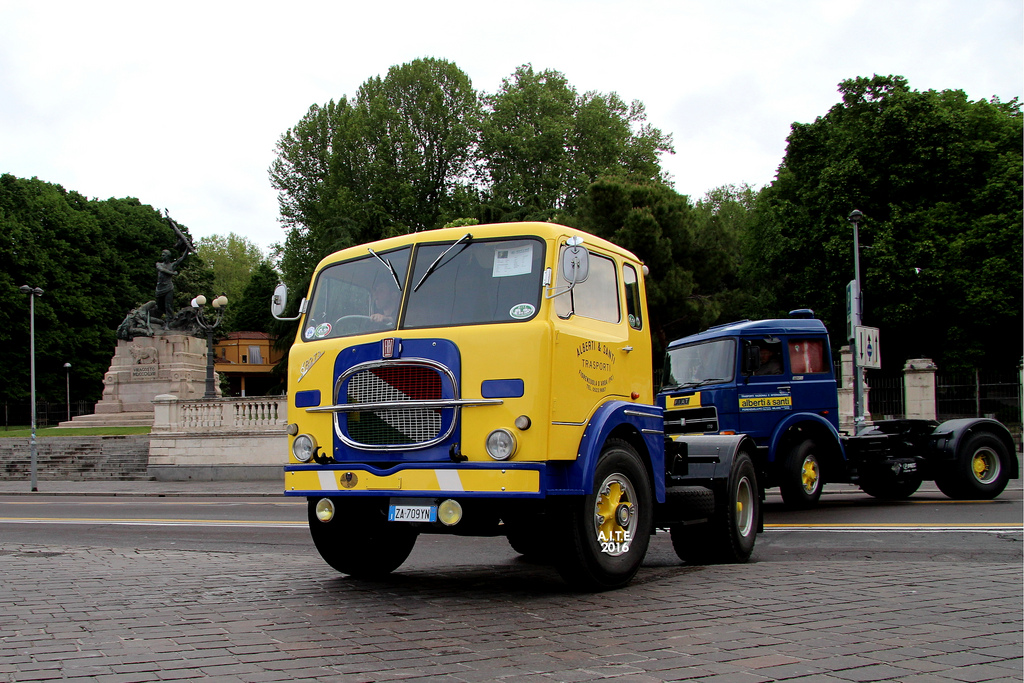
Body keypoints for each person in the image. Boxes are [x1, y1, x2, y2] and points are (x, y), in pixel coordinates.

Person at [154, 249, 189, 320]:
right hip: (160, 288)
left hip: (168, 287)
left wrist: (187, 248)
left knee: (168, 306)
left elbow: (182, 258)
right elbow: (162, 269)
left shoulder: (172, 265)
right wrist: (173, 273)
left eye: (164, 255)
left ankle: (169, 321)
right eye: (162, 255)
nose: (162, 256)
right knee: (159, 307)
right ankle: (157, 320)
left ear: (168, 256)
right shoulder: (159, 264)